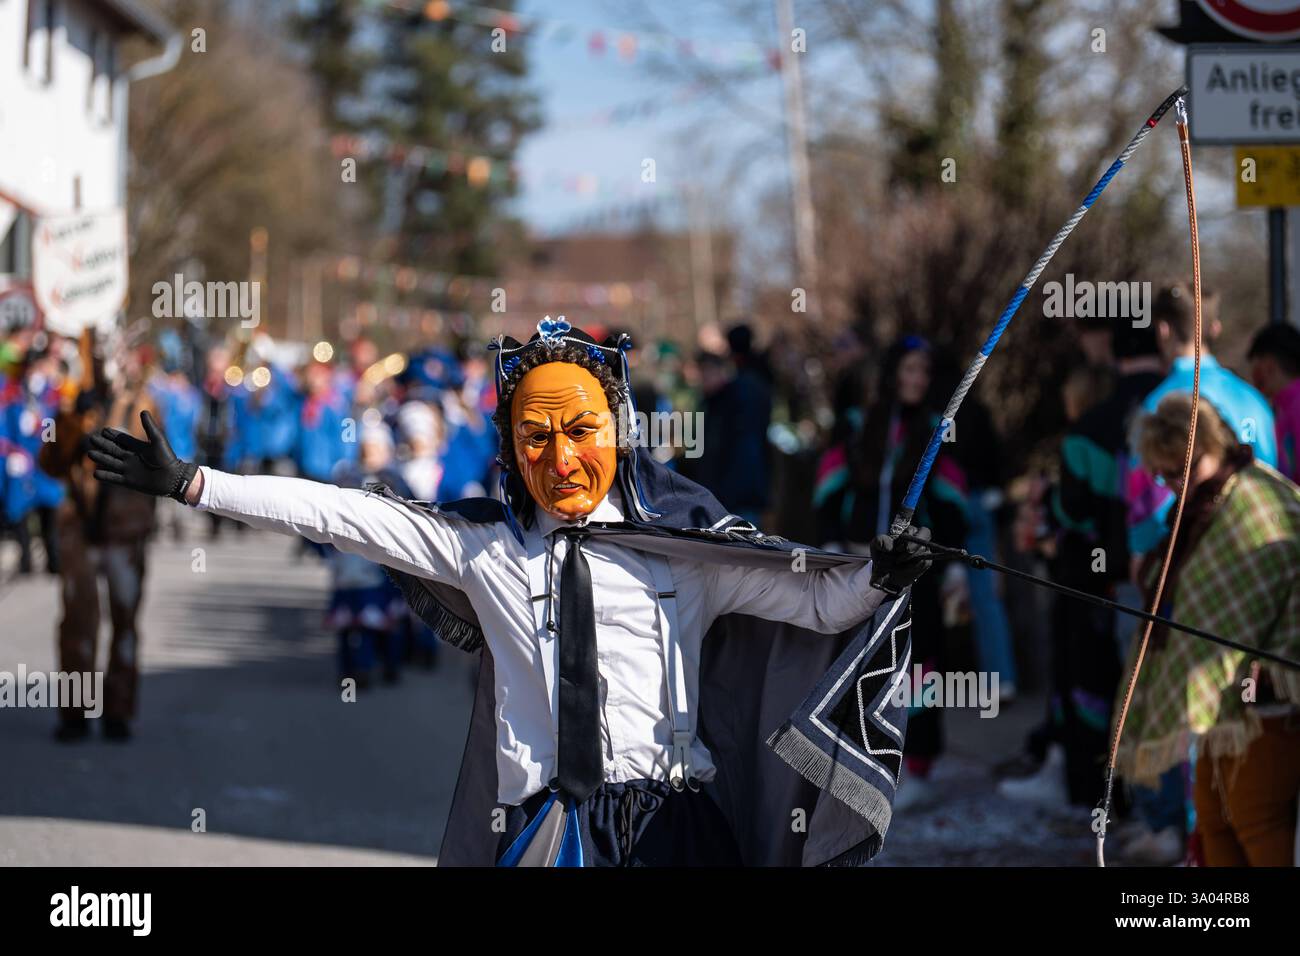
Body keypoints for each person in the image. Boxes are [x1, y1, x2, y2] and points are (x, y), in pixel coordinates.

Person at [88, 317, 934, 867]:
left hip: (678, 830)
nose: (561, 457)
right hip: (549, 831)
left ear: (618, 429)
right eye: (536, 435)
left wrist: (882, 571)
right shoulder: (480, 548)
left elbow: (821, 605)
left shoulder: (687, 551)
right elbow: (339, 513)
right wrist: (197, 483)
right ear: (509, 444)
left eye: (580, 430)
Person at [1122, 394, 1300, 867]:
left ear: (1210, 446)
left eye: (1180, 471)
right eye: (1162, 477)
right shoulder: (1200, 507)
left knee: (1254, 816)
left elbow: (1283, 587)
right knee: (1213, 818)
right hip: (1222, 704)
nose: (1174, 485)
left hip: (1268, 701)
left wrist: (1271, 664)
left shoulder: (1260, 499)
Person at [815, 335, 968, 811]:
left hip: (919, 566)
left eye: (924, 372)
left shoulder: (935, 430)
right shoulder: (859, 426)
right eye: (909, 370)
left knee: (919, 663)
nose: (916, 380)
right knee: (862, 659)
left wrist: (955, 562)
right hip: (861, 561)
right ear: (891, 374)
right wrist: (829, 541)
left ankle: (917, 762)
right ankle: (857, 757)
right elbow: (829, 485)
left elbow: (953, 497)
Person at [41, 347, 159, 742]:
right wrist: (72, 419)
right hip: (80, 528)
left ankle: (119, 712)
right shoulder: (75, 403)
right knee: (77, 621)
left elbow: (161, 462)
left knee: (124, 623)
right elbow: (50, 461)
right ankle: (75, 714)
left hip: (125, 530)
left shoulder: (144, 405)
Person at [1128, 284, 1276, 563]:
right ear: (1215, 328)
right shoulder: (1256, 402)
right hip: (1262, 551)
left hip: (1188, 567)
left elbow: (1145, 513)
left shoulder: (1158, 407)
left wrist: (1141, 559)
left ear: (1163, 330)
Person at [1247, 322, 1300, 484]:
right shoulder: (1281, 408)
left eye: (1256, 366)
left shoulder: (1293, 407)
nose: (1253, 377)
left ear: (1269, 365)